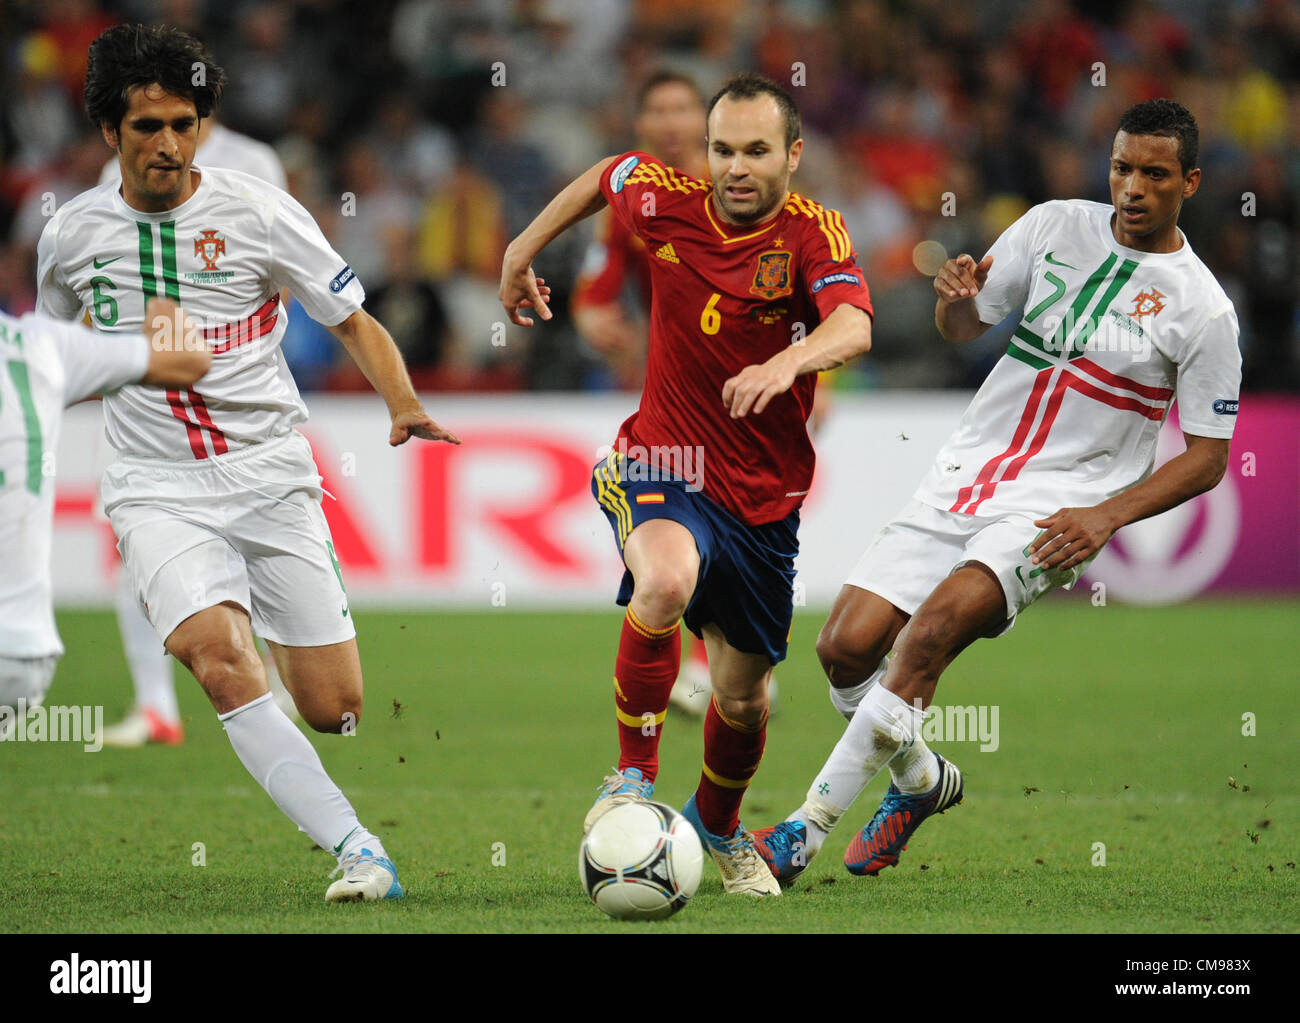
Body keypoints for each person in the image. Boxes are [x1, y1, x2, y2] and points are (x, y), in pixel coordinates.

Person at [752, 98, 1241, 885]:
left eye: (1155, 174)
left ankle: (800, 833)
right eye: (1122, 167)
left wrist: (1103, 516)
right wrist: (953, 298)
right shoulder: (1051, 226)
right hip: (964, 472)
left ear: (1189, 182)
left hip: (1056, 509)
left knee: (929, 638)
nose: (1133, 187)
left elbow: (1211, 457)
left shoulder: (1203, 309)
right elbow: (965, 325)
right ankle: (921, 781)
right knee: (843, 647)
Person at [37, 24, 459, 902]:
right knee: (221, 662)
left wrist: (403, 401)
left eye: (184, 123)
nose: (169, 144)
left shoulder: (258, 209)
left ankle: (291, 652)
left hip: (270, 472)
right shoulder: (71, 236)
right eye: (146, 126)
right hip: (154, 488)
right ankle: (360, 849)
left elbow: (351, 317)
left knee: (334, 706)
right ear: (108, 131)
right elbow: (55, 353)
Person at [500, 72, 874, 896]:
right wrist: (521, 249)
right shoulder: (665, 201)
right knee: (663, 581)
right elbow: (606, 175)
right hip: (662, 461)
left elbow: (853, 323)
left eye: (755, 151)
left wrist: (787, 361)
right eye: (722, 150)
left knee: (744, 701)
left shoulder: (815, 233)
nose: (735, 168)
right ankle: (631, 776)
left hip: (763, 500)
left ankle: (717, 822)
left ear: (793, 154)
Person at [97, 111, 292, 749]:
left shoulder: (253, 162)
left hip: (238, 395)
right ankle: (156, 708)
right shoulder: (116, 173)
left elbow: (284, 269)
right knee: (137, 557)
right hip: (152, 402)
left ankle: (280, 683)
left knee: (257, 547)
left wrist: (236, 352)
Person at [571, 70, 720, 716]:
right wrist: (588, 317)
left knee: (739, 524)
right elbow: (595, 287)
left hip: (755, 381)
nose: (670, 122)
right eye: (657, 110)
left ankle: (726, 662)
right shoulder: (633, 207)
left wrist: (814, 376)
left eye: (682, 108)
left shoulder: (735, 189)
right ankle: (708, 665)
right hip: (678, 389)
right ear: (640, 127)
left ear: (705, 120)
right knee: (689, 527)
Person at [1, 299, 209, 737]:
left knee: (212, 544)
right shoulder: (72, 240)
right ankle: (157, 706)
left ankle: (172, 701)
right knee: (133, 553)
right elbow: (57, 318)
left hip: (205, 409)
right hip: (136, 415)